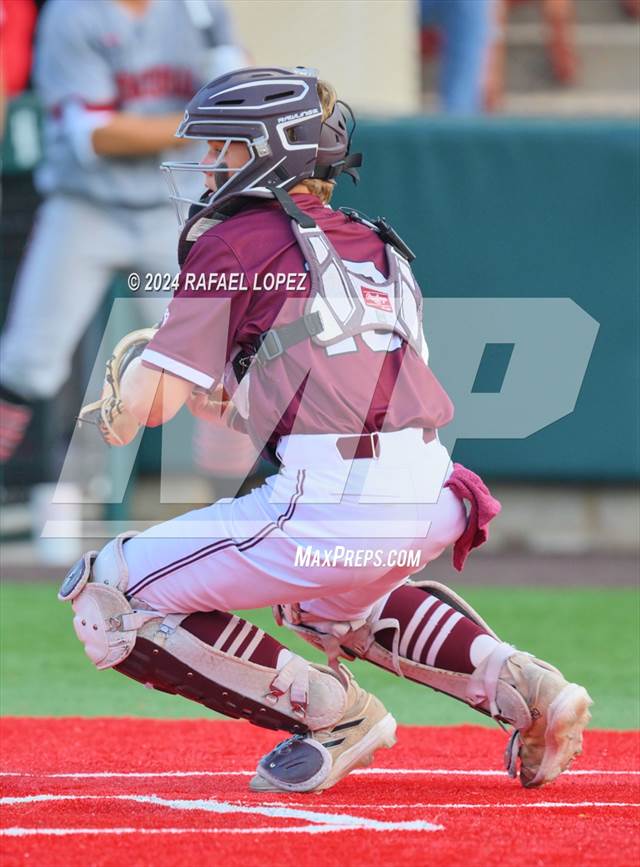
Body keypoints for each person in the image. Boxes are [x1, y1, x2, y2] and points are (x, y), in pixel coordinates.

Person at [59, 66, 592, 795]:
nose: (213, 165)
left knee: (108, 594)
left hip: (332, 495)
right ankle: (524, 685)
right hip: (428, 490)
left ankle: (336, 714)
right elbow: (332, 387)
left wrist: (122, 405)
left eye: (228, 149)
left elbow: (151, 409)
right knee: (326, 599)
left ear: (272, 150)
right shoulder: (378, 244)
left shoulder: (236, 240)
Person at [0, 0, 245, 466]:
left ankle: (241, 514)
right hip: (86, 206)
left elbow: (239, 89)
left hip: (177, 208)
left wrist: (234, 77)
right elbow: (95, 135)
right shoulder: (72, 14)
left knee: (221, 367)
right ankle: (37, 494)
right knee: (26, 365)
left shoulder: (200, 8)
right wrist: (205, 116)